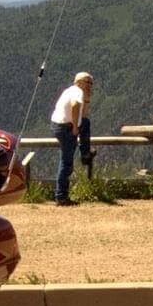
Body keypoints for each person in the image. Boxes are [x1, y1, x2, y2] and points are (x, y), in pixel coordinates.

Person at [50, 71, 94, 206]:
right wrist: (75, 127)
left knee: (86, 123)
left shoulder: (69, 91)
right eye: (88, 82)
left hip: (58, 126)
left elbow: (84, 116)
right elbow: (75, 106)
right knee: (66, 162)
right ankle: (61, 196)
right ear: (79, 81)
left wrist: (87, 99)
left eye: (91, 83)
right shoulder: (77, 91)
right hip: (67, 127)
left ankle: (85, 153)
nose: (90, 86)